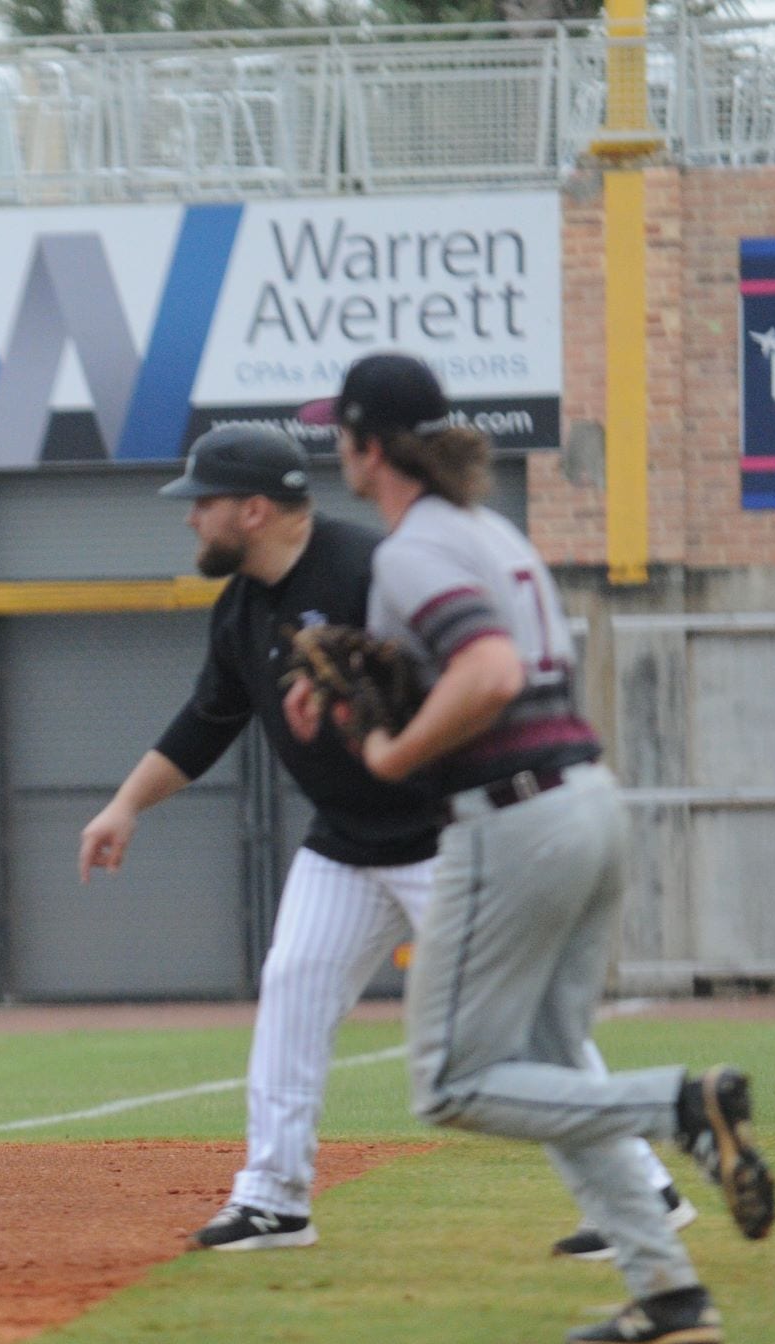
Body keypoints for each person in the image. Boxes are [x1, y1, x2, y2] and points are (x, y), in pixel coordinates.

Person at [78, 425, 690, 1255]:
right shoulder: (243, 608)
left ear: (254, 510)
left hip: (444, 837)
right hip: (344, 845)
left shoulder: (373, 567)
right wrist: (124, 805)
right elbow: (204, 724)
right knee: (293, 987)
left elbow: (467, 674)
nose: (192, 520)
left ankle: (641, 1183)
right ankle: (274, 1197)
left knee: (525, 1029)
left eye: (205, 504)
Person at [299, 352, 772, 1344]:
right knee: (556, 1065)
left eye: (339, 431)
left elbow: (487, 668)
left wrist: (388, 749)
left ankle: (684, 1105)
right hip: (586, 798)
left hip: (513, 818)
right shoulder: (484, 530)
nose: (334, 447)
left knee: (452, 1079)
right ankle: (671, 1295)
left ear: (369, 443)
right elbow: (478, 656)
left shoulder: (412, 552)